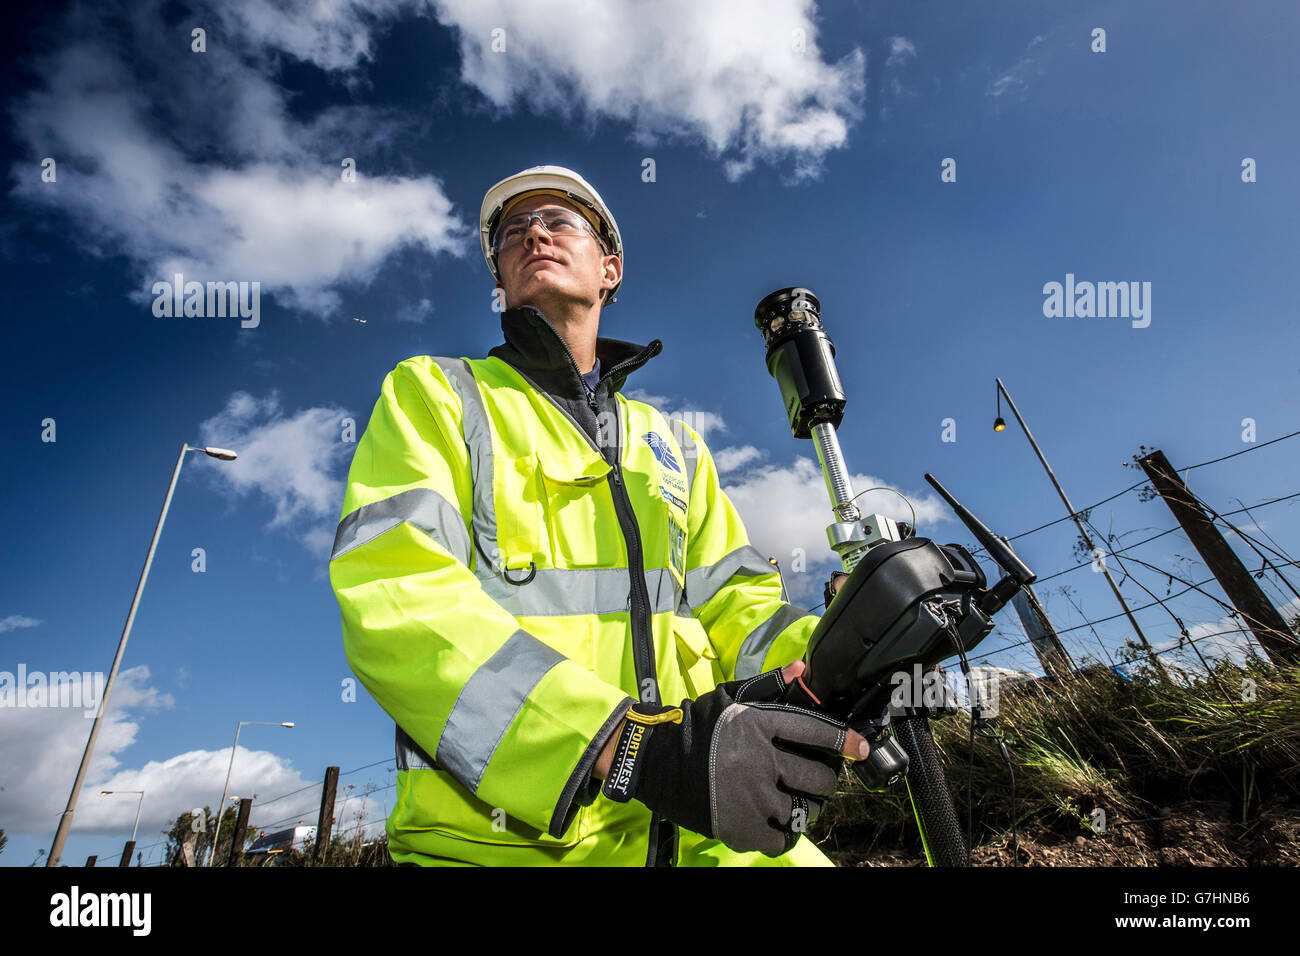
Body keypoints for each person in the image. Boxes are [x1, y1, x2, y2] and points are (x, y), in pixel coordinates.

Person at [329, 165, 869, 867]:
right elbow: (396, 596)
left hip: (706, 827)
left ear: (609, 269)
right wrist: (622, 743)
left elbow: (741, 610)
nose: (533, 233)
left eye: (558, 221)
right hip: (500, 846)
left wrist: (846, 656)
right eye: (512, 232)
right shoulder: (437, 395)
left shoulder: (675, 445)